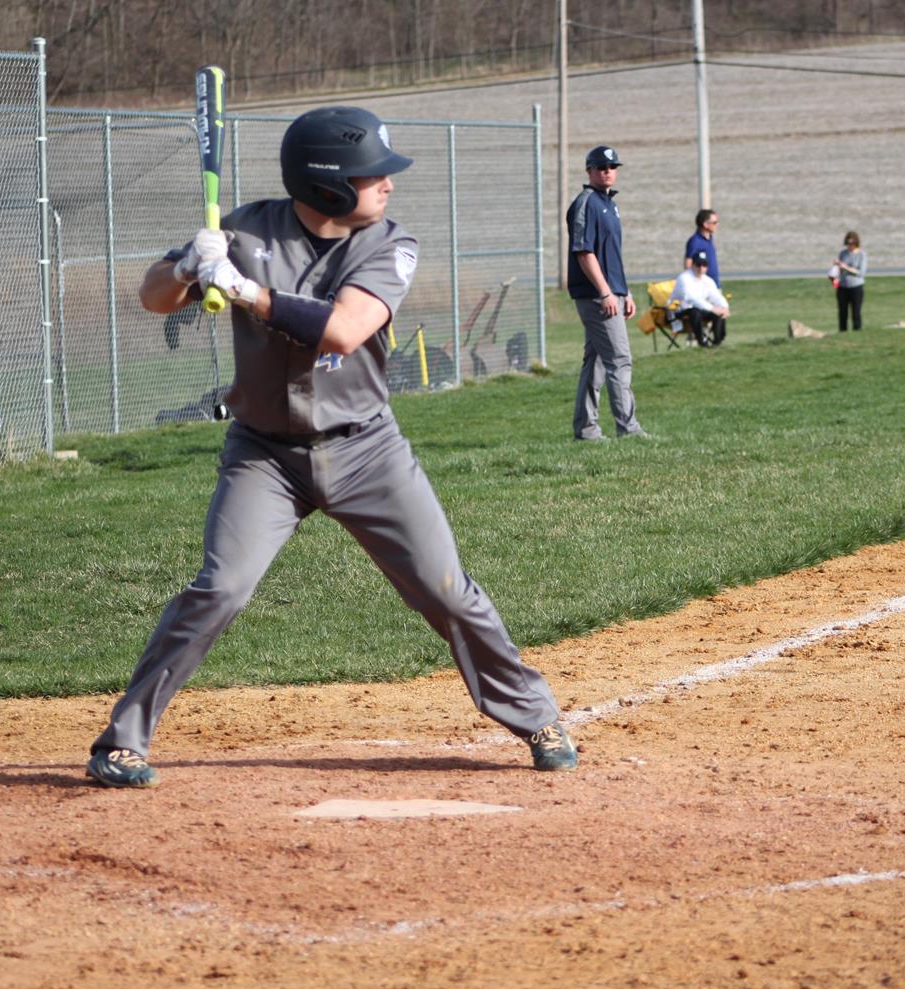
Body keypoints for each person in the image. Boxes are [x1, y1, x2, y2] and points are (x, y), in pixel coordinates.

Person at [84, 106, 575, 789]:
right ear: (328, 184)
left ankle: (536, 716)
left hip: (366, 449)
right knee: (219, 588)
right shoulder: (246, 232)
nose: (388, 185)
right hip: (264, 455)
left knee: (446, 589)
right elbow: (152, 297)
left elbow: (344, 330)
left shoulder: (390, 243)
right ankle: (122, 741)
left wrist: (244, 290)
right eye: (373, 175)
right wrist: (190, 266)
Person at [567, 145, 646, 441]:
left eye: (612, 167)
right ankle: (629, 429)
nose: (608, 171)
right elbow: (584, 252)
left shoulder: (610, 204)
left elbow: (611, 255)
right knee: (619, 359)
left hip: (612, 293)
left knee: (597, 361)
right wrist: (605, 293)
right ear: (589, 170)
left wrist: (625, 292)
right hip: (595, 295)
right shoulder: (586, 203)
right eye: (601, 167)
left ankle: (586, 429)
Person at [669, 249, 729, 346]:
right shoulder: (684, 278)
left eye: (704, 265)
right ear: (692, 265)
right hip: (680, 310)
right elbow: (691, 299)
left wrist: (724, 307)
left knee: (718, 312)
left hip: (700, 310)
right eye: (698, 265)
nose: (701, 268)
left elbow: (716, 296)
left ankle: (717, 342)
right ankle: (702, 342)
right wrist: (712, 308)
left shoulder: (708, 280)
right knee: (695, 311)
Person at [833, 231, 866, 331]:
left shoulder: (862, 254)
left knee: (856, 312)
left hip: (856, 287)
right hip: (842, 287)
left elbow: (860, 273)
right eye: (848, 243)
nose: (850, 245)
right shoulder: (843, 254)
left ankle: (857, 332)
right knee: (842, 313)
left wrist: (845, 267)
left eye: (852, 243)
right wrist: (837, 266)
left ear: (856, 243)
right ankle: (842, 333)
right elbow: (839, 270)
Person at [684, 208, 720, 286]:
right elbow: (688, 265)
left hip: (714, 284)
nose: (717, 225)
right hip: (703, 287)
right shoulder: (695, 241)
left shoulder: (709, 238)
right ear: (705, 224)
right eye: (714, 223)